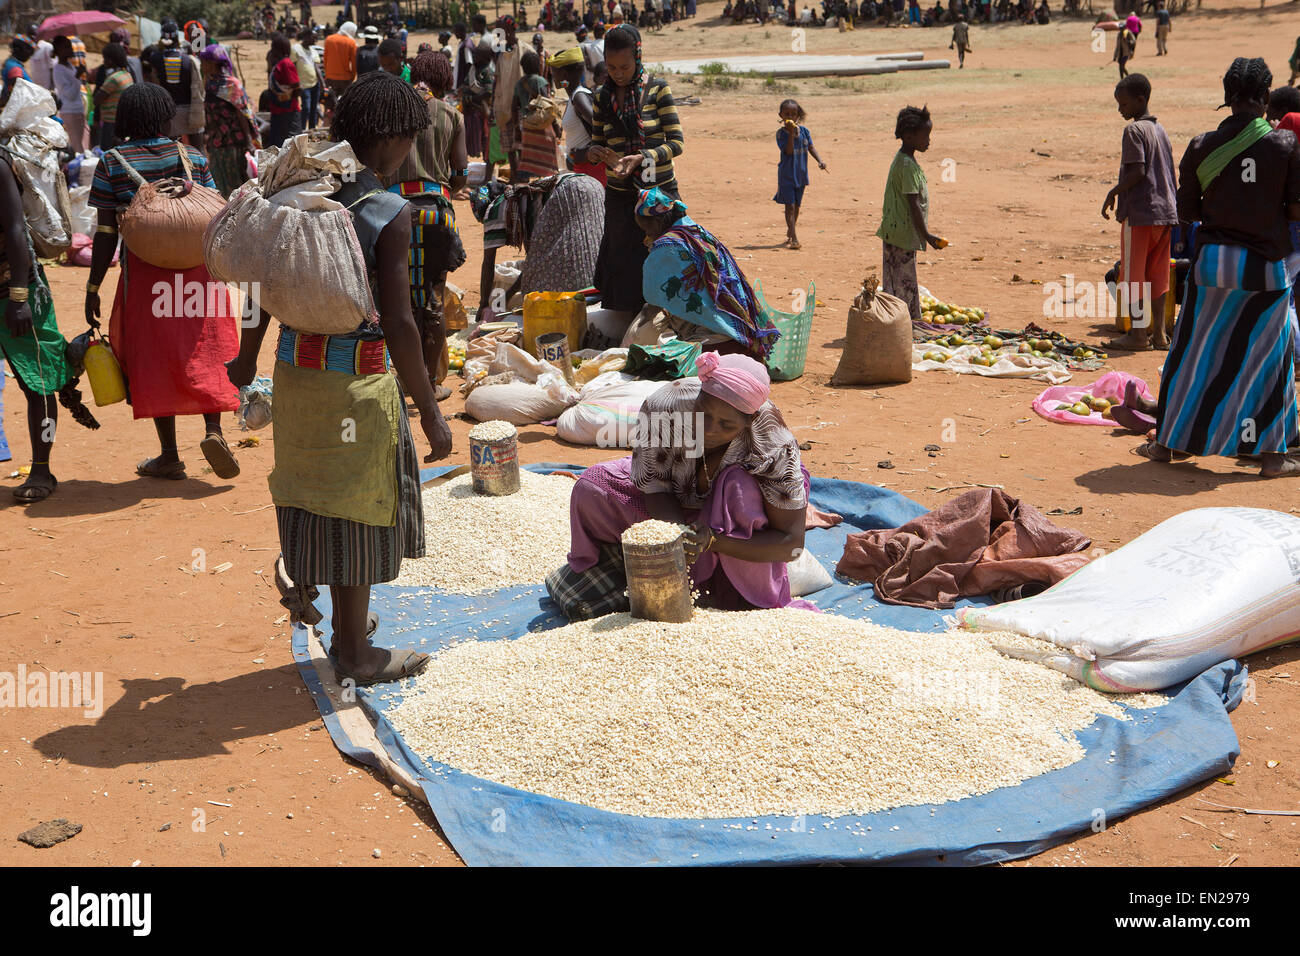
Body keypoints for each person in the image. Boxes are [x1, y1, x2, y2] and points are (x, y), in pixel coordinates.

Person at [226, 71, 453, 685]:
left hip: (295, 379)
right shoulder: (387, 212)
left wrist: (245, 364)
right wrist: (430, 410)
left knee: (315, 495)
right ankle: (354, 652)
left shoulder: (291, 196)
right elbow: (401, 325)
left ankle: (348, 627)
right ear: (396, 139)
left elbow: (255, 285)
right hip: (359, 381)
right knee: (361, 507)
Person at [547, 352, 815, 619]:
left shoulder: (772, 443)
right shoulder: (665, 407)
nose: (708, 429)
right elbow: (655, 486)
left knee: (737, 488)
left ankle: (723, 581)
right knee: (593, 486)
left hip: (733, 524)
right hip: (679, 506)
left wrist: (711, 541)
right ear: (698, 396)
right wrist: (678, 536)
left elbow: (790, 542)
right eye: (703, 413)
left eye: (725, 424)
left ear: (749, 420)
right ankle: (639, 564)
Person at [1140, 59, 1300, 477]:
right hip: (1264, 268)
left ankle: (1166, 444)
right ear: (1266, 97)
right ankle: (1271, 458)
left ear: (1227, 97)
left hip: (1212, 264)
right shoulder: (1285, 145)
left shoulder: (1199, 145)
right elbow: (1295, 211)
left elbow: (1188, 213)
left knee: (1192, 352)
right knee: (1271, 360)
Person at [86, 83, 241, 481]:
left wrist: (92, 288)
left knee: (154, 357)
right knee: (205, 346)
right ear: (165, 116)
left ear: (124, 119)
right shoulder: (191, 156)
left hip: (146, 278)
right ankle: (213, 432)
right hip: (198, 275)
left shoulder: (112, 163)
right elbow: (215, 214)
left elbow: (105, 234)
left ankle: (170, 455)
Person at [0, 127, 98, 501]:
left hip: (15, 290)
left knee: (37, 383)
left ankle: (41, 470)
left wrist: (20, 297)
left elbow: (13, 229)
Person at [379, 50, 468, 401]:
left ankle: (400, 378)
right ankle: (429, 386)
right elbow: (460, 173)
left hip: (392, 212)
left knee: (396, 300)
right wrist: (445, 187)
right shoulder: (451, 115)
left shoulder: (391, 109)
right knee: (431, 297)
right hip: (435, 212)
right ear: (445, 81)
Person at [588, 24, 684, 321]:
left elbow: (677, 143)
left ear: (638, 57)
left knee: (667, 260)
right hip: (621, 197)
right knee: (626, 265)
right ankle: (633, 330)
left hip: (659, 195)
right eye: (612, 67)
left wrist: (643, 157)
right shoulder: (602, 97)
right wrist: (595, 153)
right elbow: (597, 141)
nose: (618, 73)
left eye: (625, 66)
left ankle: (670, 324)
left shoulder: (657, 89)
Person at [632, 187, 779, 358]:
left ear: (656, 223)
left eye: (646, 229)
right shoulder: (696, 231)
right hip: (745, 336)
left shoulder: (666, 247)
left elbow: (652, 297)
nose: (646, 235)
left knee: (651, 325)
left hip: (714, 349)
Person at [1100, 74, 1178, 351]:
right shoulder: (1161, 130)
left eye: (1123, 103)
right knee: (1158, 275)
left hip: (1141, 213)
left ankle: (1137, 336)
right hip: (1166, 212)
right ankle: (1159, 335)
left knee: (1133, 275)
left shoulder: (1134, 131)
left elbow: (1138, 171)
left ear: (1140, 100)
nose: (1120, 109)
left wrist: (1114, 192)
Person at [470, 173, 605, 319]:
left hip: (568, 191)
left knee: (543, 283)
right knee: (590, 246)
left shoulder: (494, 209)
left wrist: (484, 303)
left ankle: (568, 314)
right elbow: (531, 264)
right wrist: (505, 297)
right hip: (593, 184)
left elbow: (488, 263)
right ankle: (593, 299)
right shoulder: (527, 198)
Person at [876, 106, 941, 321]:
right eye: (925, 136)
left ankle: (899, 320)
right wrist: (927, 235)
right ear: (909, 136)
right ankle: (904, 323)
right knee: (902, 280)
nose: (928, 141)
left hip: (898, 232)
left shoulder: (907, 160)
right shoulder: (906, 165)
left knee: (896, 278)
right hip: (901, 234)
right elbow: (913, 204)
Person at [199, 44, 259, 197]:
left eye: (205, 62)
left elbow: (243, 114)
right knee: (219, 186)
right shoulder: (209, 83)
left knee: (236, 186)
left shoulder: (232, 84)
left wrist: (248, 141)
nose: (202, 65)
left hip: (233, 144)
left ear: (214, 63)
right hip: (216, 143)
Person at [773, 98, 827, 250]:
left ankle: (791, 230)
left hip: (801, 174)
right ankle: (794, 237)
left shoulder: (804, 131)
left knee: (797, 205)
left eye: (794, 114)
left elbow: (811, 147)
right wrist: (790, 134)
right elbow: (788, 151)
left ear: (798, 115)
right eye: (787, 114)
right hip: (786, 175)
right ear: (781, 115)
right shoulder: (781, 134)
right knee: (789, 205)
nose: (790, 116)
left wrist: (820, 161)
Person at [549, 47, 605, 184]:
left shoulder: (579, 97)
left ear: (564, 75)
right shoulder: (574, 96)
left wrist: (584, 154)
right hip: (582, 168)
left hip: (590, 170)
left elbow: (601, 127)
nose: (552, 76)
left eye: (554, 72)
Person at [151, 20, 206, 151]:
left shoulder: (155, 59)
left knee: (169, 151)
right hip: (191, 111)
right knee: (199, 149)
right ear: (178, 37)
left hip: (167, 114)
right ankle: (203, 171)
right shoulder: (190, 61)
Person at [514, 49, 560, 181]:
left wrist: (517, 128)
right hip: (542, 126)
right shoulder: (541, 81)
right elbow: (548, 105)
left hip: (527, 127)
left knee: (528, 158)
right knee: (547, 159)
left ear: (523, 67)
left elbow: (514, 106)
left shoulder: (519, 83)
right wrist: (556, 126)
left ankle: (525, 188)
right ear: (538, 65)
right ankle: (548, 185)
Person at [492, 17, 524, 183]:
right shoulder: (502, 53)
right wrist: (493, 105)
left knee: (520, 145)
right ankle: (514, 176)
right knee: (509, 147)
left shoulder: (524, 49)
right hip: (504, 107)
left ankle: (522, 177)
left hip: (519, 107)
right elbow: (496, 80)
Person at [93, 43, 134, 152]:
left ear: (111, 60)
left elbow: (97, 99)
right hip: (122, 120)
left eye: (105, 58)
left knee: (107, 152)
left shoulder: (113, 79)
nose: (103, 61)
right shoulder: (126, 75)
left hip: (110, 123)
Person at [266, 32, 303, 149]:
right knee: (285, 145)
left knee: (285, 144)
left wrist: (283, 98)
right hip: (284, 111)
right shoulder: (282, 64)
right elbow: (295, 86)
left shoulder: (282, 64)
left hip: (284, 111)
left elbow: (295, 86)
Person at [460, 39, 495, 162]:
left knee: (483, 138)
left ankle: (486, 164)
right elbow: (465, 85)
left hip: (480, 111)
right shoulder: (473, 70)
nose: (474, 56)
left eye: (477, 54)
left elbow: (489, 91)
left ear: (485, 57)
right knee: (469, 138)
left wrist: (471, 98)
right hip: (470, 110)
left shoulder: (486, 72)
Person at [50, 37, 87, 154]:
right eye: (67, 47)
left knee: (82, 145)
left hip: (78, 109)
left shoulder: (69, 65)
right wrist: (78, 76)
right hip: (70, 112)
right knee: (77, 148)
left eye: (70, 46)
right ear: (59, 50)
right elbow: (70, 94)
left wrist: (78, 74)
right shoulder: (58, 70)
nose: (71, 49)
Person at [292, 27, 321, 129]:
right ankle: (302, 130)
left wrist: (323, 83)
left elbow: (317, 68)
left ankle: (312, 130)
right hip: (303, 85)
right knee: (306, 108)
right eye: (313, 38)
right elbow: (293, 67)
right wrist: (296, 83)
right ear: (306, 37)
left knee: (314, 109)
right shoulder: (296, 49)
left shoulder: (313, 51)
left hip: (315, 84)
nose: (315, 41)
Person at [324, 19, 358, 103]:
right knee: (345, 104)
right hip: (345, 78)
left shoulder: (329, 39)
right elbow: (354, 63)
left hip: (330, 77)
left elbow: (325, 59)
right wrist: (352, 77)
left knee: (330, 102)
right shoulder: (351, 42)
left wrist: (327, 74)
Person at [2, 34, 35, 107]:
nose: (30, 55)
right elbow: (16, 96)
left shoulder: (10, 63)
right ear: (19, 49)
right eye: (28, 51)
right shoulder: (15, 69)